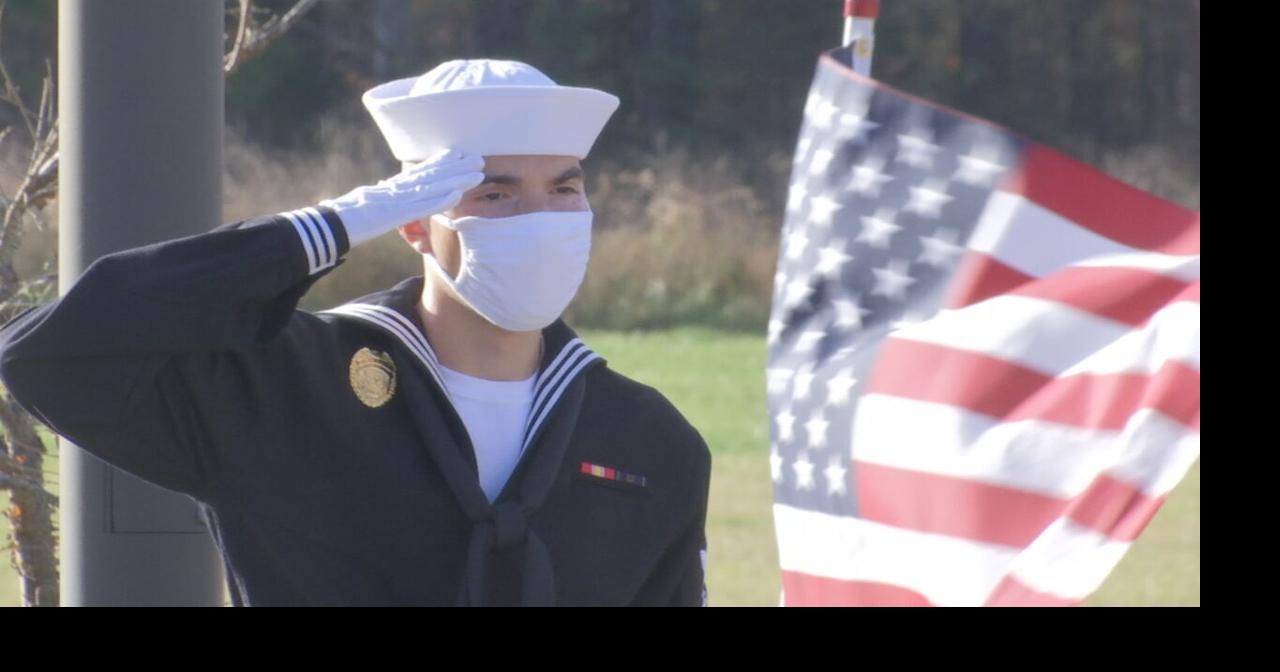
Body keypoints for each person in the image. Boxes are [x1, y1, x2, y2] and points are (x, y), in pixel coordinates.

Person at [0, 58, 712, 607]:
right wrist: (317, 232)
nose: (540, 219)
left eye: (564, 189)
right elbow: (50, 357)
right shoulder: (281, 386)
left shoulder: (649, 438)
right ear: (411, 223)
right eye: (494, 194)